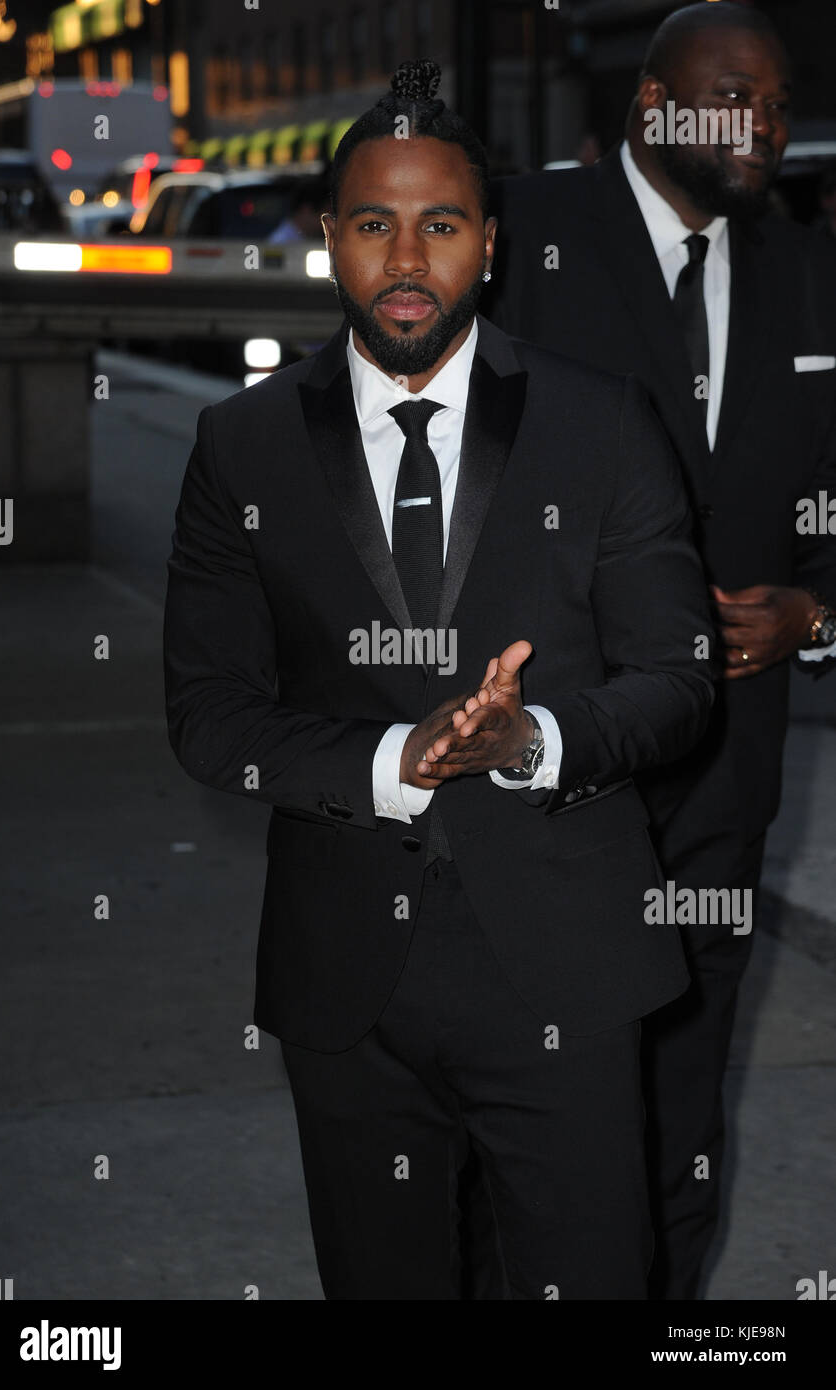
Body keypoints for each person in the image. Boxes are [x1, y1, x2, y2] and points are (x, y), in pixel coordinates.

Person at [164, 59, 715, 1300]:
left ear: (489, 243)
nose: (405, 257)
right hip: (347, 985)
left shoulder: (604, 421)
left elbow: (678, 679)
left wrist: (530, 744)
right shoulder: (239, 444)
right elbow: (208, 715)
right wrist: (386, 762)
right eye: (372, 223)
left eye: (440, 223)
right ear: (326, 239)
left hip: (566, 963)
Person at [487, 1, 836, 1300]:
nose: (763, 123)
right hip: (554, 766)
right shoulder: (522, 236)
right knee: (544, 1080)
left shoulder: (806, 271)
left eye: (779, 102)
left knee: (685, 1079)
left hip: (724, 782)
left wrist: (813, 612)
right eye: (731, 95)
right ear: (650, 107)